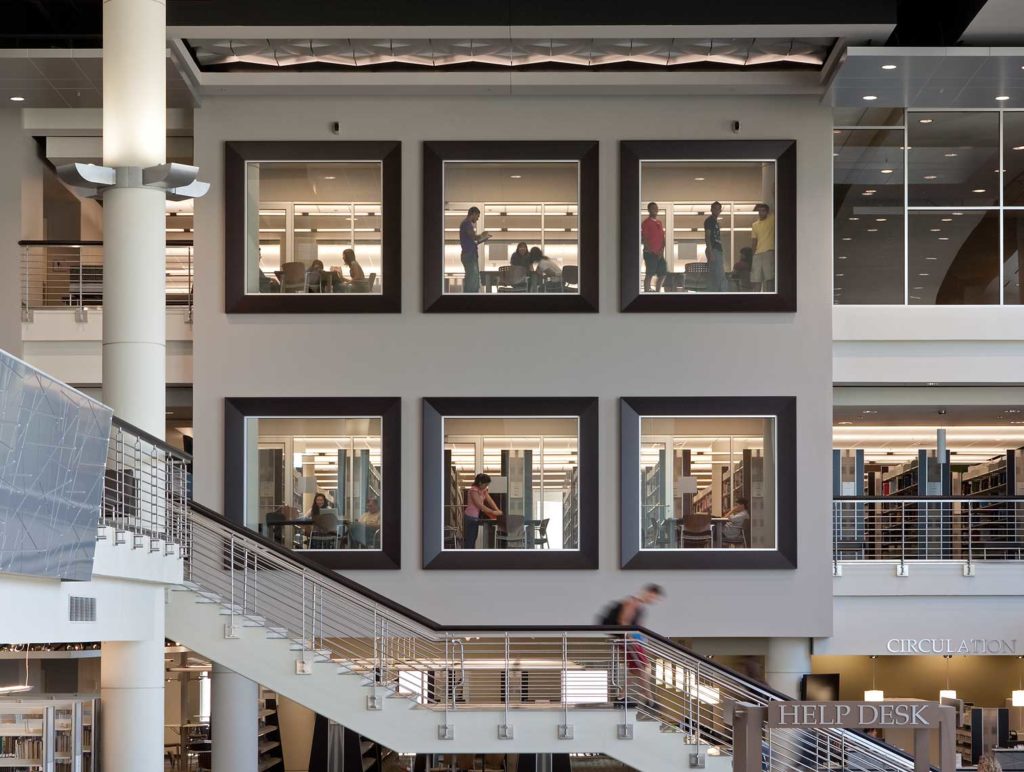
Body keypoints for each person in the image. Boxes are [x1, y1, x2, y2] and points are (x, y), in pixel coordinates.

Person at [598, 584, 665, 708]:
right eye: (654, 597)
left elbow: (635, 627)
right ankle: (649, 699)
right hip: (628, 641)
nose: (654, 600)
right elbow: (623, 621)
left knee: (635, 669)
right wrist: (632, 640)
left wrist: (641, 640)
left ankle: (622, 697)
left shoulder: (639, 606)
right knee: (642, 667)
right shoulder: (633, 602)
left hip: (630, 641)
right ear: (649, 593)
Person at [463, 473, 501, 549]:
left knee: (473, 538)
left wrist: (497, 509)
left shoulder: (483, 490)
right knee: (470, 540)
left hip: (475, 518)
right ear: (480, 483)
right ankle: (467, 558)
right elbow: (479, 505)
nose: (486, 486)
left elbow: (490, 500)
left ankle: (470, 557)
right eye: (485, 484)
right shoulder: (473, 490)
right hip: (470, 517)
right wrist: (493, 512)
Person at [459, 206, 492, 294]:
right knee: (473, 279)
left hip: (469, 254)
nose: (477, 219)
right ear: (473, 214)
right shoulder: (466, 223)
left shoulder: (466, 224)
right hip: (469, 255)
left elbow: (473, 242)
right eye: (477, 216)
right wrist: (482, 235)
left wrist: (483, 238)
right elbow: (473, 237)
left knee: (473, 278)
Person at [640, 202, 667, 292]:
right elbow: (644, 238)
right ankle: (647, 292)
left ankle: (657, 292)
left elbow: (662, 238)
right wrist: (652, 251)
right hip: (650, 253)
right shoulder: (646, 223)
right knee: (649, 274)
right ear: (649, 210)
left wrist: (661, 250)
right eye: (653, 208)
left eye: (656, 208)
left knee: (663, 273)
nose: (655, 209)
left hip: (659, 254)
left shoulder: (659, 222)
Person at [750, 203, 776, 293]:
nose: (761, 213)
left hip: (768, 252)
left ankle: (769, 298)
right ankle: (756, 298)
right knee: (756, 279)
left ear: (767, 212)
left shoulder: (771, 220)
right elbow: (754, 240)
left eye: (763, 211)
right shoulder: (755, 225)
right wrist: (753, 255)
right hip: (757, 254)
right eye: (760, 211)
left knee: (768, 279)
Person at [703, 201, 726, 292]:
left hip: (717, 250)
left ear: (720, 210)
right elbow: (707, 236)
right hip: (714, 250)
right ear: (711, 209)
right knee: (719, 275)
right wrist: (710, 251)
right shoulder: (710, 221)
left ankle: (714, 293)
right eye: (715, 208)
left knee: (715, 275)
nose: (717, 210)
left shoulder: (715, 221)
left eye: (718, 209)